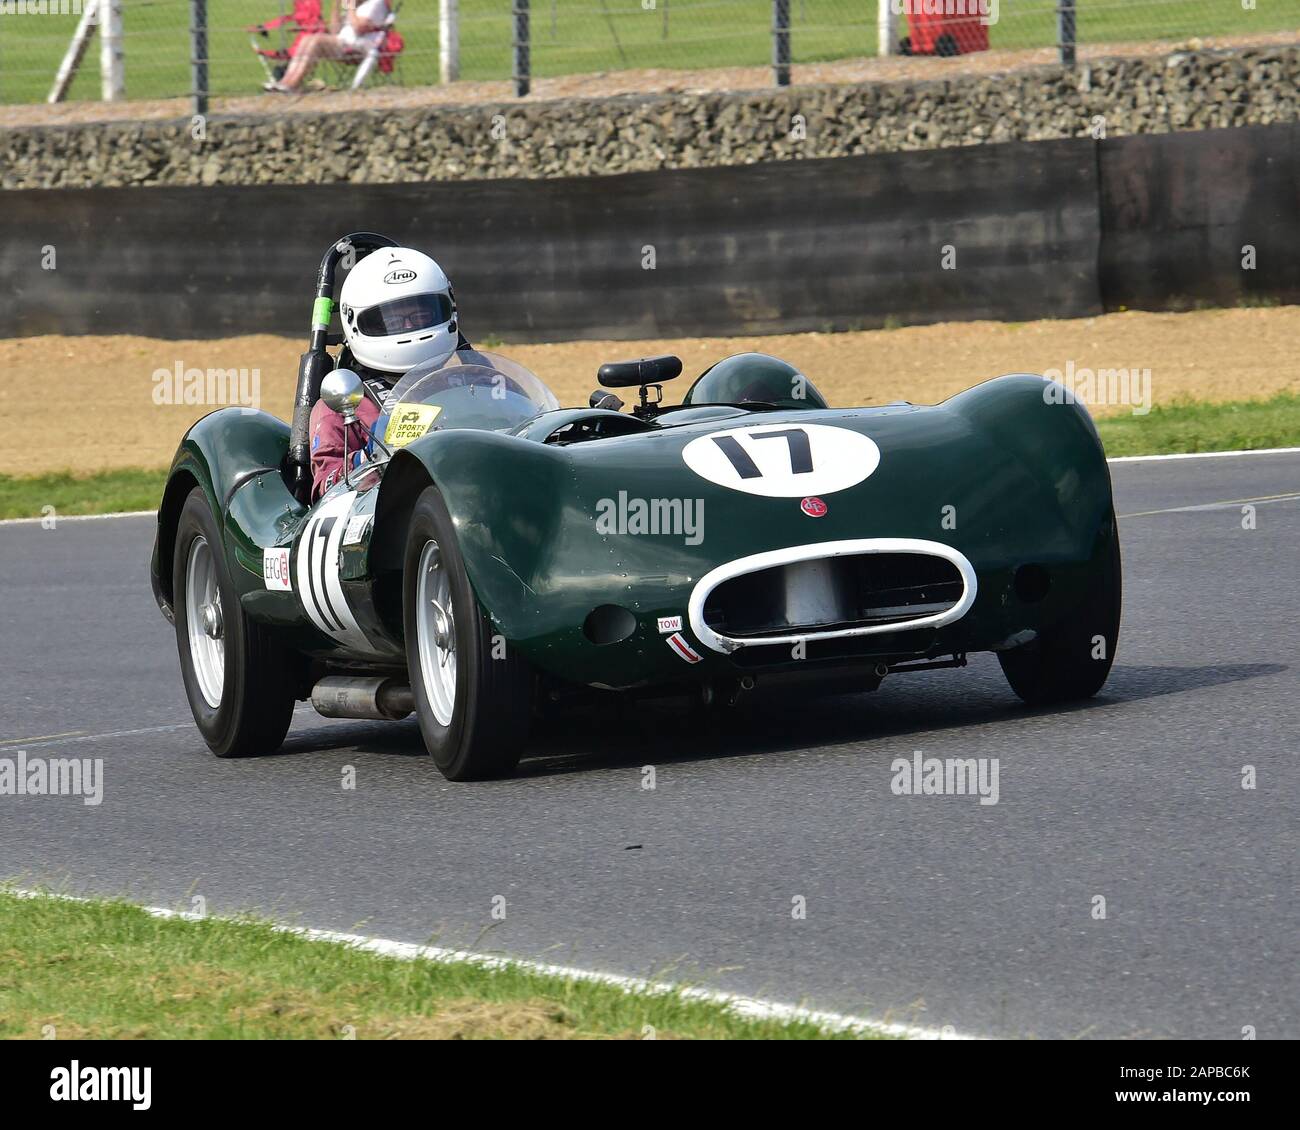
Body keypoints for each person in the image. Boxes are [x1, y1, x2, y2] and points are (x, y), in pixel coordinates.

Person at [310, 246, 462, 499]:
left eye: (422, 315)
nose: (410, 327)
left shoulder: (474, 382)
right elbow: (323, 488)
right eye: (392, 321)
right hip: (392, 516)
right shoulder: (344, 402)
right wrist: (372, 456)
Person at [265, 0, 390, 93]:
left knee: (316, 41)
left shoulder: (375, 4)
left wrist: (351, 8)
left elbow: (359, 28)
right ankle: (286, 81)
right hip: (344, 43)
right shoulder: (354, 5)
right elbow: (334, 30)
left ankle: (293, 83)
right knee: (307, 39)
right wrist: (336, 6)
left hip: (360, 48)